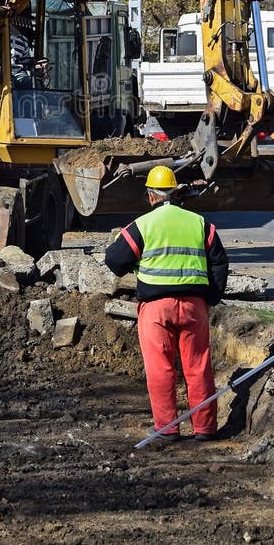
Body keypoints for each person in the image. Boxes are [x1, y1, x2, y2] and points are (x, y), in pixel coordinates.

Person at [105, 165, 228, 443]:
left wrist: (137, 263)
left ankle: (167, 428)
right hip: (194, 305)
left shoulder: (143, 225)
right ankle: (205, 428)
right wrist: (210, 297)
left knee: (161, 369)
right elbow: (219, 262)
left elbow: (114, 260)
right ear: (175, 192)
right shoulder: (199, 223)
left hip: (155, 308)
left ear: (151, 196)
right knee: (198, 367)